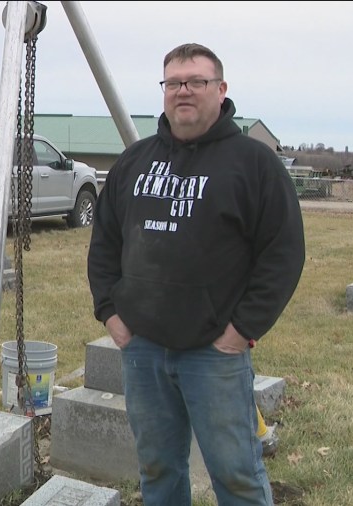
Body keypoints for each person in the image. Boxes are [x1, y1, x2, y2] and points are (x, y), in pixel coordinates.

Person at [87, 43, 306, 505]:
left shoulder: (254, 164)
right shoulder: (135, 161)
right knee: (158, 471)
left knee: (237, 474)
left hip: (214, 353)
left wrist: (241, 331)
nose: (182, 91)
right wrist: (110, 313)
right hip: (143, 350)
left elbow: (283, 254)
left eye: (195, 82)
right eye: (173, 82)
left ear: (220, 90)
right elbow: (104, 241)